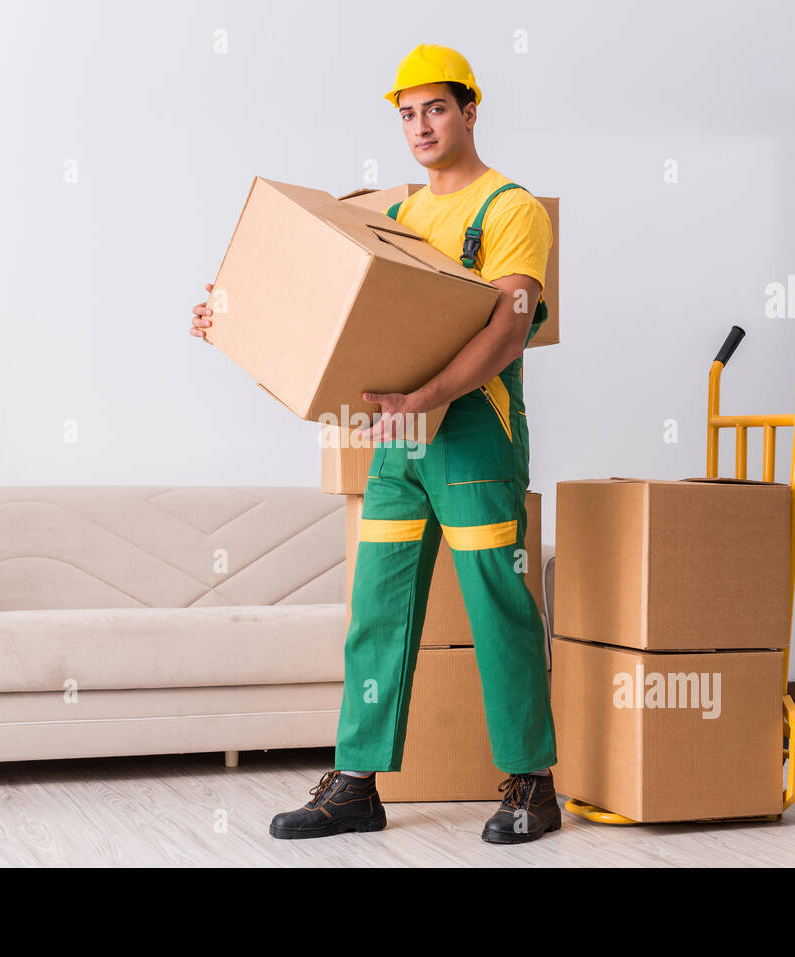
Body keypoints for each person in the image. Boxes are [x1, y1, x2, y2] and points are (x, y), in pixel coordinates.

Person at [190, 43, 559, 845]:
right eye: (407, 113)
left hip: (473, 436)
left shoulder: (510, 209)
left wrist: (427, 397)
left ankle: (532, 781)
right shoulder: (396, 217)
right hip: (396, 442)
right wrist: (234, 318)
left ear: (469, 110)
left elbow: (508, 326)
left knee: (499, 607)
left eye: (435, 108)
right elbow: (331, 316)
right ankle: (356, 782)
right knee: (378, 610)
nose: (421, 126)